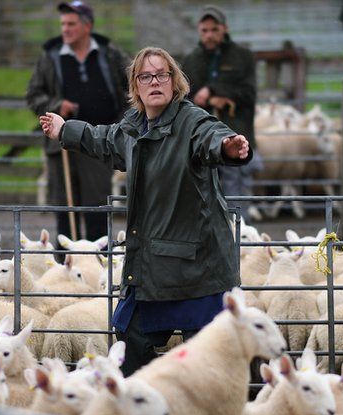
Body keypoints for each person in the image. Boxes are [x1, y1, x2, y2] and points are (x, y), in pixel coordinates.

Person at [40, 46, 251, 376]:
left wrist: (228, 147)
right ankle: (146, 410)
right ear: (135, 86)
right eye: (146, 76)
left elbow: (211, 135)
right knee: (130, 340)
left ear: (174, 81)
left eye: (162, 75)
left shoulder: (190, 120)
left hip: (198, 271)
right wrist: (66, 130)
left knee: (213, 361)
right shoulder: (134, 127)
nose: (155, 81)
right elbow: (105, 139)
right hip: (154, 265)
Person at [25, 0, 128, 245]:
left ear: (87, 26)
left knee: (97, 207)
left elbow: (132, 89)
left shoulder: (110, 55)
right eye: (63, 24)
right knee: (65, 207)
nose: (65, 29)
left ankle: (98, 268)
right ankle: (65, 268)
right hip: (60, 143)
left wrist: (123, 126)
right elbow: (33, 95)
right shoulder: (50, 57)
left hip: (99, 142)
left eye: (71, 24)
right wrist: (56, 106)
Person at [181, 5, 262, 220]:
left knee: (237, 197)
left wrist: (214, 90)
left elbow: (249, 93)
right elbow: (184, 97)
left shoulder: (242, 57)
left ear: (224, 29)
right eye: (204, 30)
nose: (209, 35)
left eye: (214, 29)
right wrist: (208, 99)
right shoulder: (191, 60)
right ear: (199, 30)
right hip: (201, 140)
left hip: (236, 135)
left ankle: (240, 243)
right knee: (202, 196)